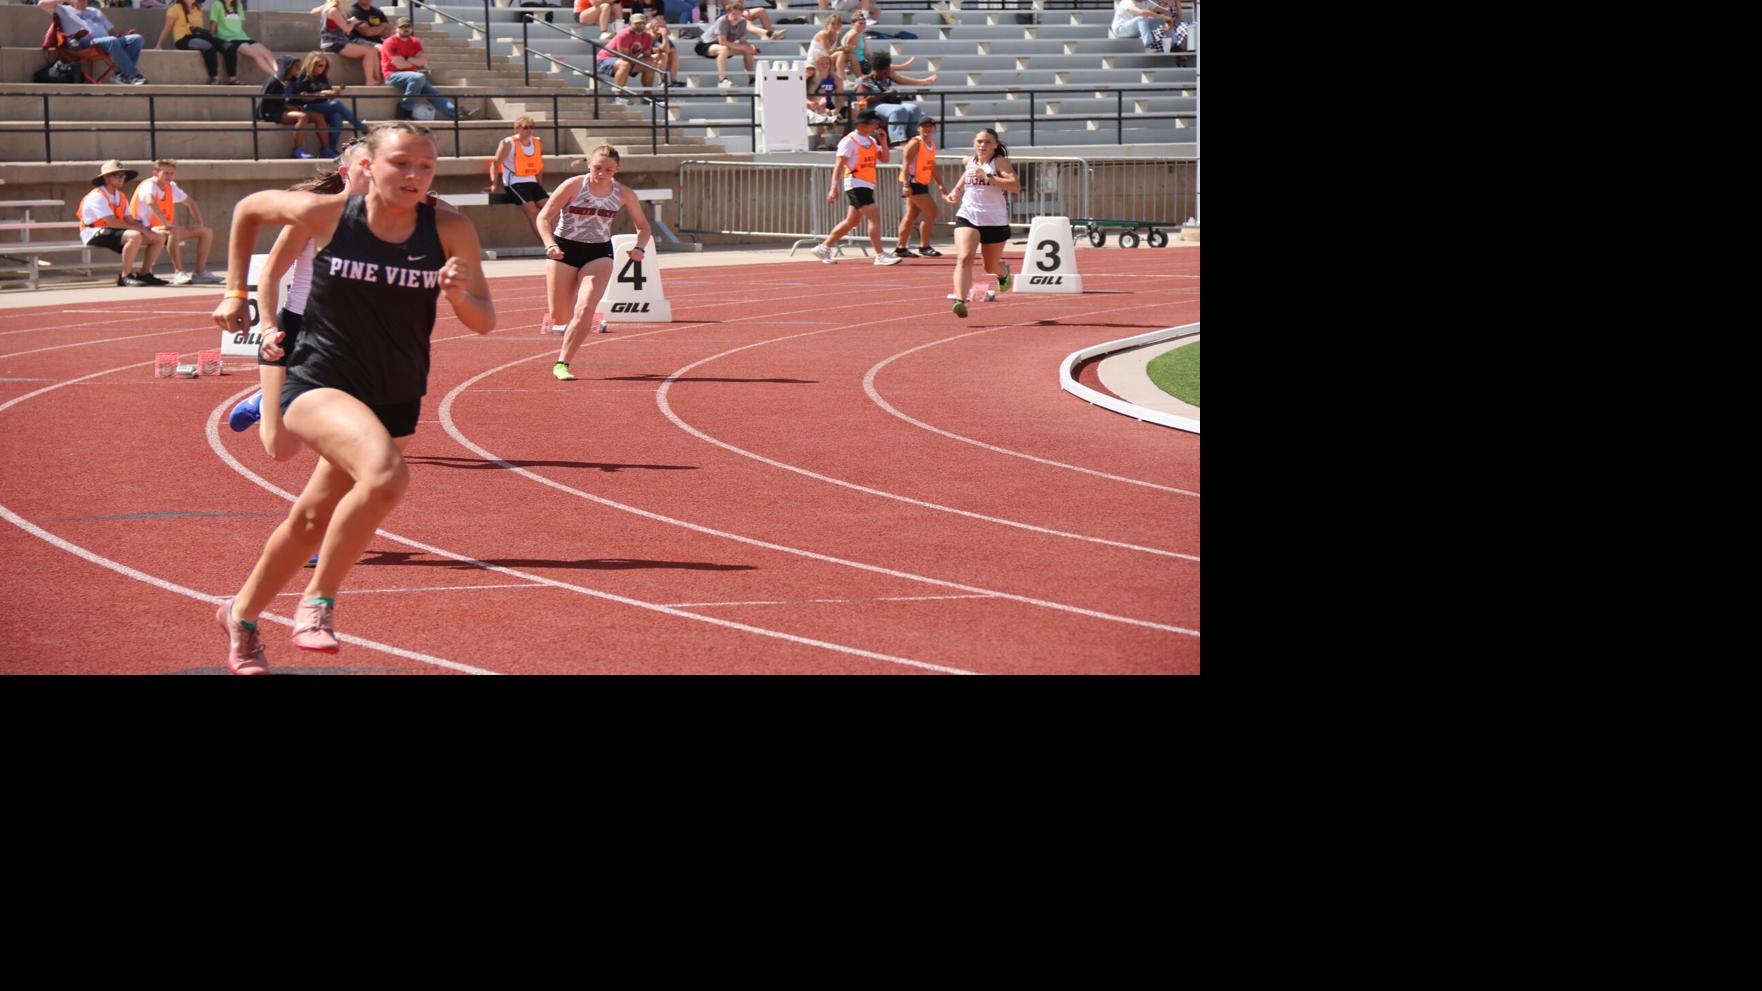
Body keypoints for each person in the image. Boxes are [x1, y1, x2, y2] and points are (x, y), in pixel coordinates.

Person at [209, 122, 496, 675]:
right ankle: (318, 602)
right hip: (322, 378)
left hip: (397, 390)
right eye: (401, 164)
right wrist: (234, 291)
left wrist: (459, 295)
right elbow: (247, 209)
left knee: (312, 517)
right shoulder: (328, 216)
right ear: (370, 164)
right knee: (386, 476)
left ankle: (240, 616)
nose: (414, 176)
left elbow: (485, 321)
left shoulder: (451, 230)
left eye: (426, 167)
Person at [229, 140, 372, 464]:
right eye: (367, 168)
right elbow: (270, 275)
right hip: (295, 328)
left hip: (347, 334)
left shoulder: (391, 219)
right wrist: (266, 329)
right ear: (345, 172)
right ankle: (267, 401)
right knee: (278, 448)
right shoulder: (310, 215)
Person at [535, 145, 654, 380]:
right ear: (589, 163)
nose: (601, 174)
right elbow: (543, 217)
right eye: (597, 168)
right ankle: (570, 322)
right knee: (559, 316)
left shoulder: (623, 193)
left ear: (616, 170)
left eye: (608, 170)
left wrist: (640, 247)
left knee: (585, 307)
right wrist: (550, 244)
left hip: (598, 253)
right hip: (564, 249)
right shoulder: (573, 186)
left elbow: (644, 227)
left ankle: (563, 363)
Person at [809, 110, 900, 267]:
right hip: (856, 183)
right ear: (863, 125)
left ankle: (823, 247)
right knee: (874, 218)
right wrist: (833, 188)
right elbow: (839, 166)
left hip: (867, 183)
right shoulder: (849, 141)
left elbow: (885, 159)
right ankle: (879, 254)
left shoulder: (871, 140)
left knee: (851, 221)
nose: (877, 126)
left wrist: (883, 141)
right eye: (874, 124)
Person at [943, 127, 1018, 317]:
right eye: (979, 141)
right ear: (974, 143)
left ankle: (1002, 272)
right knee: (964, 257)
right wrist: (956, 191)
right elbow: (966, 175)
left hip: (994, 219)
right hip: (968, 215)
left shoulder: (999, 162)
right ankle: (961, 300)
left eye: (987, 142)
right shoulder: (968, 161)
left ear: (995, 145)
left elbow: (1015, 186)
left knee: (989, 266)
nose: (982, 145)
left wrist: (989, 177)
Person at [129, 159, 220, 285]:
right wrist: (167, 224)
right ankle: (178, 273)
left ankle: (200, 272)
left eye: (172, 173)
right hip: (144, 228)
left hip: (164, 228)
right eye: (166, 173)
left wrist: (199, 223)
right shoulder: (148, 185)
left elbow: (191, 203)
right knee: (173, 232)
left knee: (206, 232)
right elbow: (150, 201)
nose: (169, 176)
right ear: (156, 173)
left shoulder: (172, 186)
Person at [78, 160, 168, 287]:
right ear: (106, 178)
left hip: (114, 231)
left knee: (159, 237)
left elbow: (130, 220)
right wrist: (142, 230)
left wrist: (147, 230)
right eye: (118, 175)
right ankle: (125, 276)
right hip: (93, 232)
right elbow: (112, 222)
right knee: (134, 235)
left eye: (123, 176)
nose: (122, 178)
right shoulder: (97, 196)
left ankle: (145, 274)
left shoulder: (120, 196)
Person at [381, 18, 473, 120]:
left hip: (413, 76)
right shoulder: (390, 42)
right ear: (396, 28)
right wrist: (413, 60)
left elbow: (423, 61)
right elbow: (399, 65)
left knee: (433, 94)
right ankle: (405, 108)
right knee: (419, 77)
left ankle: (455, 113)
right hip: (392, 75)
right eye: (402, 27)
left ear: (412, 28)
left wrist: (407, 59)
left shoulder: (415, 41)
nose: (406, 29)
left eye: (408, 26)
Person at [44, 0, 148, 84]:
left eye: (85, 0)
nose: (84, 2)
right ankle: (132, 75)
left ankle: (121, 75)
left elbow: (111, 31)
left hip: (106, 42)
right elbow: (42, 4)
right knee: (110, 40)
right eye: (80, 0)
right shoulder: (63, 10)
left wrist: (120, 39)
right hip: (82, 44)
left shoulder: (94, 11)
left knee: (137, 38)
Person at [290, 51, 366, 157]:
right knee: (336, 104)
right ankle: (362, 127)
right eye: (320, 66)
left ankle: (328, 150)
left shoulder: (322, 76)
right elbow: (303, 97)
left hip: (324, 105)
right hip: (307, 106)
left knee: (337, 116)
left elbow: (327, 93)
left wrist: (335, 92)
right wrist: (320, 94)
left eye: (325, 66)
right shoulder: (302, 77)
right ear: (312, 64)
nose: (323, 68)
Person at [484, 117, 549, 241]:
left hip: (532, 182)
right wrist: (493, 184)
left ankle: (558, 242)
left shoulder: (537, 142)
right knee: (533, 213)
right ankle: (548, 244)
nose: (529, 130)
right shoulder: (508, 143)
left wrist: (539, 184)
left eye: (532, 127)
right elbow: (496, 163)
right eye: (525, 127)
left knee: (550, 210)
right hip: (515, 183)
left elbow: (539, 164)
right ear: (517, 128)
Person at [856, 51, 935, 144]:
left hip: (888, 104)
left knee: (914, 108)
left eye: (888, 70)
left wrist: (923, 82)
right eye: (884, 72)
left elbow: (902, 80)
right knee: (898, 110)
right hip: (873, 106)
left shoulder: (887, 74)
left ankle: (914, 139)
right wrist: (885, 94)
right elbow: (862, 101)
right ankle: (897, 140)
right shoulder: (864, 81)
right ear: (876, 70)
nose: (887, 74)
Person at [892, 117, 944, 257]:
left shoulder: (931, 144)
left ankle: (901, 248)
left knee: (911, 214)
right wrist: (906, 184)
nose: (927, 129)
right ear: (918, 128)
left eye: (929, 126)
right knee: (932, 212)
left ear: (934, 128)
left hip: (922, 182)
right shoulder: (915, 143)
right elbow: (905, 164)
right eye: (923, 126)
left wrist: (941, 184)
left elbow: (932, 166)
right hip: (913, 182)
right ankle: (924, 246)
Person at [259, 55, 323, 159]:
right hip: (273, 112)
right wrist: (288, 107)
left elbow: (294, 98)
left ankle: (326, 149)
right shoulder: (274, 81)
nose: (299, 69)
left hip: (287, 110)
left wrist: (297, 105)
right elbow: (268, 102)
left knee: (318, 116)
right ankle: (297, 151)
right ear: (287, 67)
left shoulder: (293, 82)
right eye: (296, 67)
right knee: (302, 117)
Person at [205, 0, 279, 82]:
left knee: (267, 53)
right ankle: (276, 77)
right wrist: (212, 37)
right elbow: (213, 26)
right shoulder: (217, 4)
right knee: (256, 54)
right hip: (230, 39)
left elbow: (238, 24)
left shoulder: (238, 5)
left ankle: (279, 75)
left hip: (243, 37)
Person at [315, 0, 381, 84]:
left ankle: (378, 79)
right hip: (333, 43)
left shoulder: (334, 9)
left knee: (373, 50)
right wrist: (353, 22)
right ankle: (370, 80)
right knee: (369, 51)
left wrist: (350, 21)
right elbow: (347, 29)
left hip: (340, 42)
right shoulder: (333, 10)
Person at [595, 12, 655, 101]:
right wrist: (640, 62)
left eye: (643, 24)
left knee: (649, 65)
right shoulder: (624, 34)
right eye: (637, 24)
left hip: (627, 60)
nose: (640, 26)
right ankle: (619, 96)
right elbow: (624, 56)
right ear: (630, 24)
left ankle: (647, 96)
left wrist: (651, 62)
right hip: (605, 59)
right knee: (624, 65)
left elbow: (647, 55)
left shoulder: (647, 36)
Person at [693, 2, 755, 88]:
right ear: (728, 14)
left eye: (738, 14)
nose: (736, 16)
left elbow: (742, 41)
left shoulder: (743, 22)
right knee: (724, 49)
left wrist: (749, 47)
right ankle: (722, 80)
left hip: (724, 46)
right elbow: (722, 41)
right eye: (733, 13)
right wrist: (741, 47)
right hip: (705, 45)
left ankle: (752, 79)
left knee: (747, 50)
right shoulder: (722, 21)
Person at [806, 12, 848, 85]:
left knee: (851, 55)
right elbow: (828, 52)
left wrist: (847, 49)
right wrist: (843, 48)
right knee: (841, 53)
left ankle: (859, 78)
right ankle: (843, 79)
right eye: (833, 24)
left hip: (827, 59)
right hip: (815, 60)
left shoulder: (838, 35)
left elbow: (838, 50)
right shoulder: (823, 34)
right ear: (827, 25)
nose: (836, 26)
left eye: (838, 24)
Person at [645, 13, 680, 88]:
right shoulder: (648, 36)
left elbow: (670, 50)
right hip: (646, 60)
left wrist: (664, 36)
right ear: (652, 26)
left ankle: (673, 80)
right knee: (663, 55)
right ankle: (661, 81)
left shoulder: (661, 36)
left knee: (674, 55)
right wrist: (664, 35)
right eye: (658, 26)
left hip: (659, 60)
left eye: (662, 26)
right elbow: (665, 51)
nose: (660, 28)